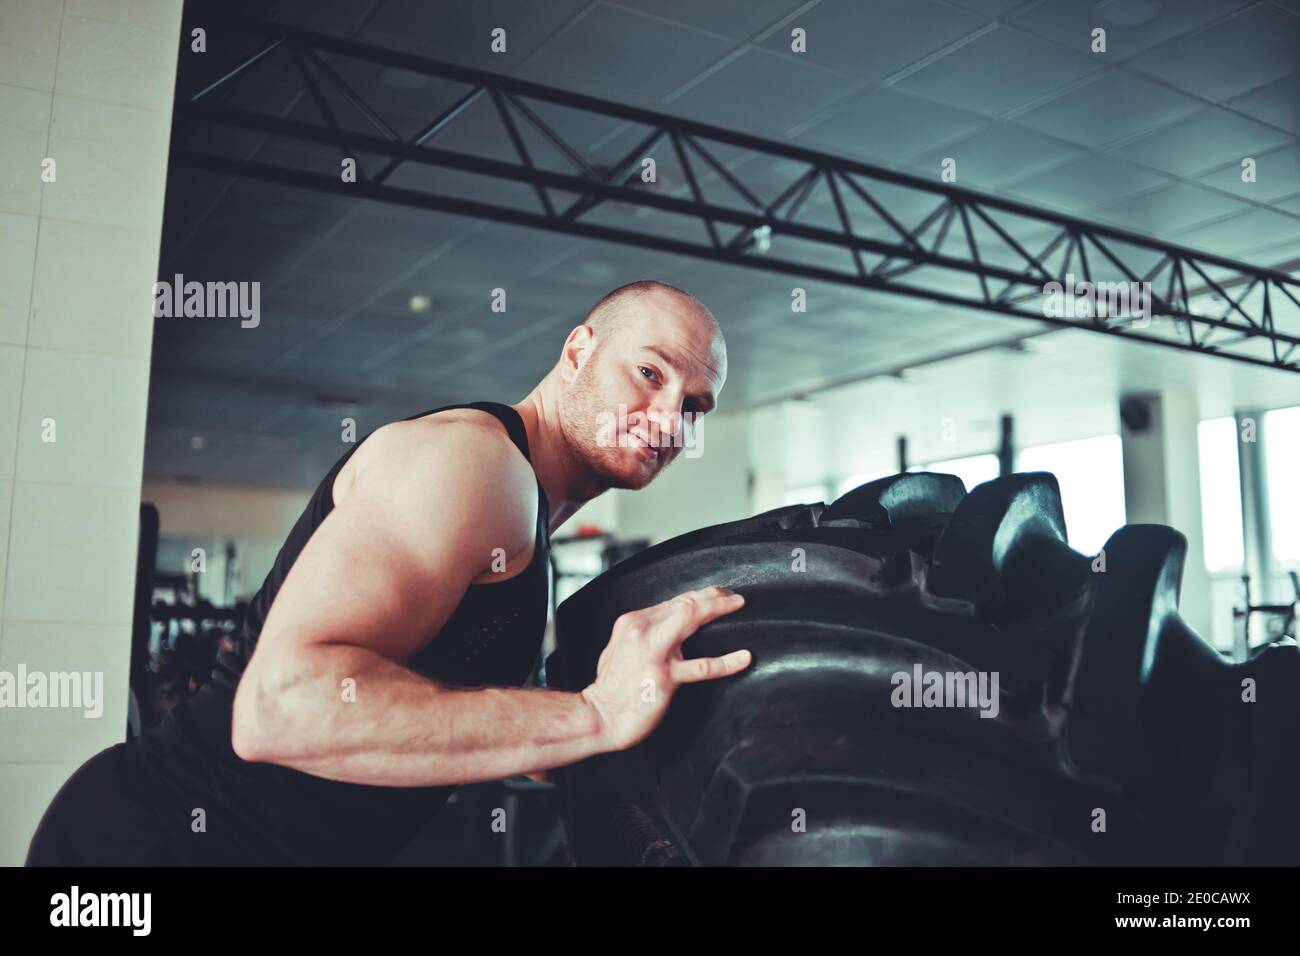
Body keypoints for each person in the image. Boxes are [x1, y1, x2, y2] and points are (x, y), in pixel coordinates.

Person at [26, 279, 751, 865]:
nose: (667, 418)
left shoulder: (526, 515)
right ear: (578, 350)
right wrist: (592, 715)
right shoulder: (476, 465)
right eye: (649, 373)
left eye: (693, 406)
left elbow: (428, 718)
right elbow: (281, 707)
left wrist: (619, 737)